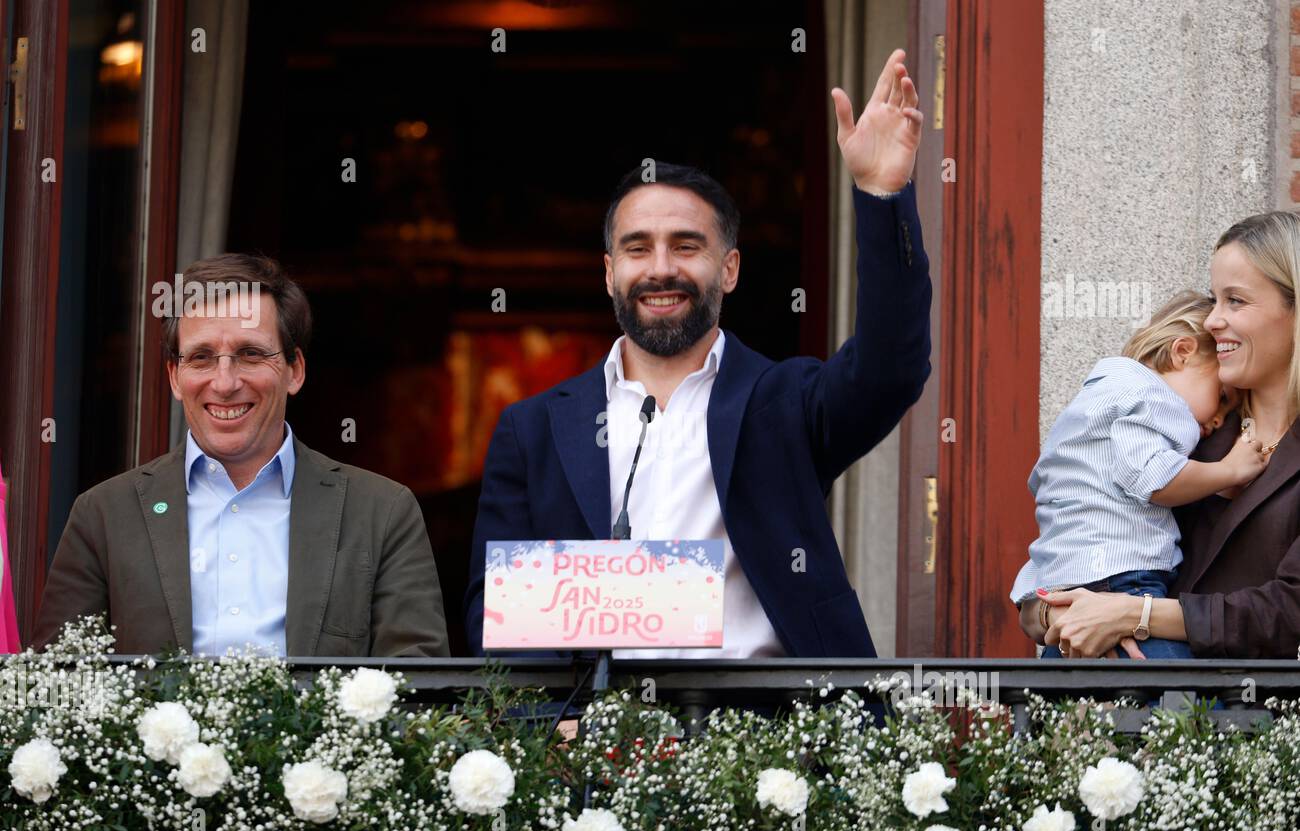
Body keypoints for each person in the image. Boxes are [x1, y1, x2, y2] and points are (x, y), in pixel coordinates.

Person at [465, 50, 931, 658]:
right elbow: (498, 616)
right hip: (590, 739)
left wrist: (881, 194)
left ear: (729, 269)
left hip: (761, 736)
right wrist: (556, 727)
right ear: (609, 273)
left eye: (686, 246)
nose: (661, 269)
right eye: (638, 249)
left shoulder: (786, 404)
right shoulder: (534, 431)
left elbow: (890, 367)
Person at [32, 254, 449, 657]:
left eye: (251, 353)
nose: (225, 382)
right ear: (175, 377)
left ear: (295, 370)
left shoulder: (381, 511)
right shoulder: (104, 515)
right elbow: (60, 687)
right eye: (201, 357)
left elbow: (416, 682)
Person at [1020, 210, 1300, 659]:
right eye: (1214, 299)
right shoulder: (1183, 435)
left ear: (1295, 311)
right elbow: (1062, 556)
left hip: (1249, 718)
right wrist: (1066, 615)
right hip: (1126, 703)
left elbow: (1289, 612)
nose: (1211, 320)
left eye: (1236, 301)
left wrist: (1135, 615)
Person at [1011, 291, 1257, 659]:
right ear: (1182, 352)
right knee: (1188, 705)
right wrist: (1229, 470)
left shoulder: (1100, 394)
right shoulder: (1154, 398)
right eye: (1222, 397)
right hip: (1123, 580)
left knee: (1075, 703)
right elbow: (1154, 479)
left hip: (1066, 592)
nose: (1219, 419)